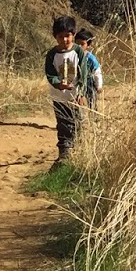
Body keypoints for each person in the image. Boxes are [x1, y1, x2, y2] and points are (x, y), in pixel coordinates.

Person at [45, 16, 88, 162]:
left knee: (77, 121)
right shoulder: (52, 54)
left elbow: (83, 73)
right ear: (55, 37)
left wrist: (81, 93)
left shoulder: (78, 52)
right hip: (59, 96)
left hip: (75, 96)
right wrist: (58, 83)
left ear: (73, 35)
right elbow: (50, 74)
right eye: (60, 36)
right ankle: (64, 152)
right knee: (63, 123)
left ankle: (79, 148)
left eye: (67, 36)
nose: (64, 40)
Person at [78, 29, 104, 110]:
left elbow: (97, 72)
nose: (79, 46)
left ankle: (94, 117)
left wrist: (99, 85)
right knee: (78, 101)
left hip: (89, 83)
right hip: (78, 82)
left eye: (82, 44)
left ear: (88, 45)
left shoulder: (91, 58)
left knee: (91, 101)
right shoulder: (73, 56)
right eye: (77, 43)